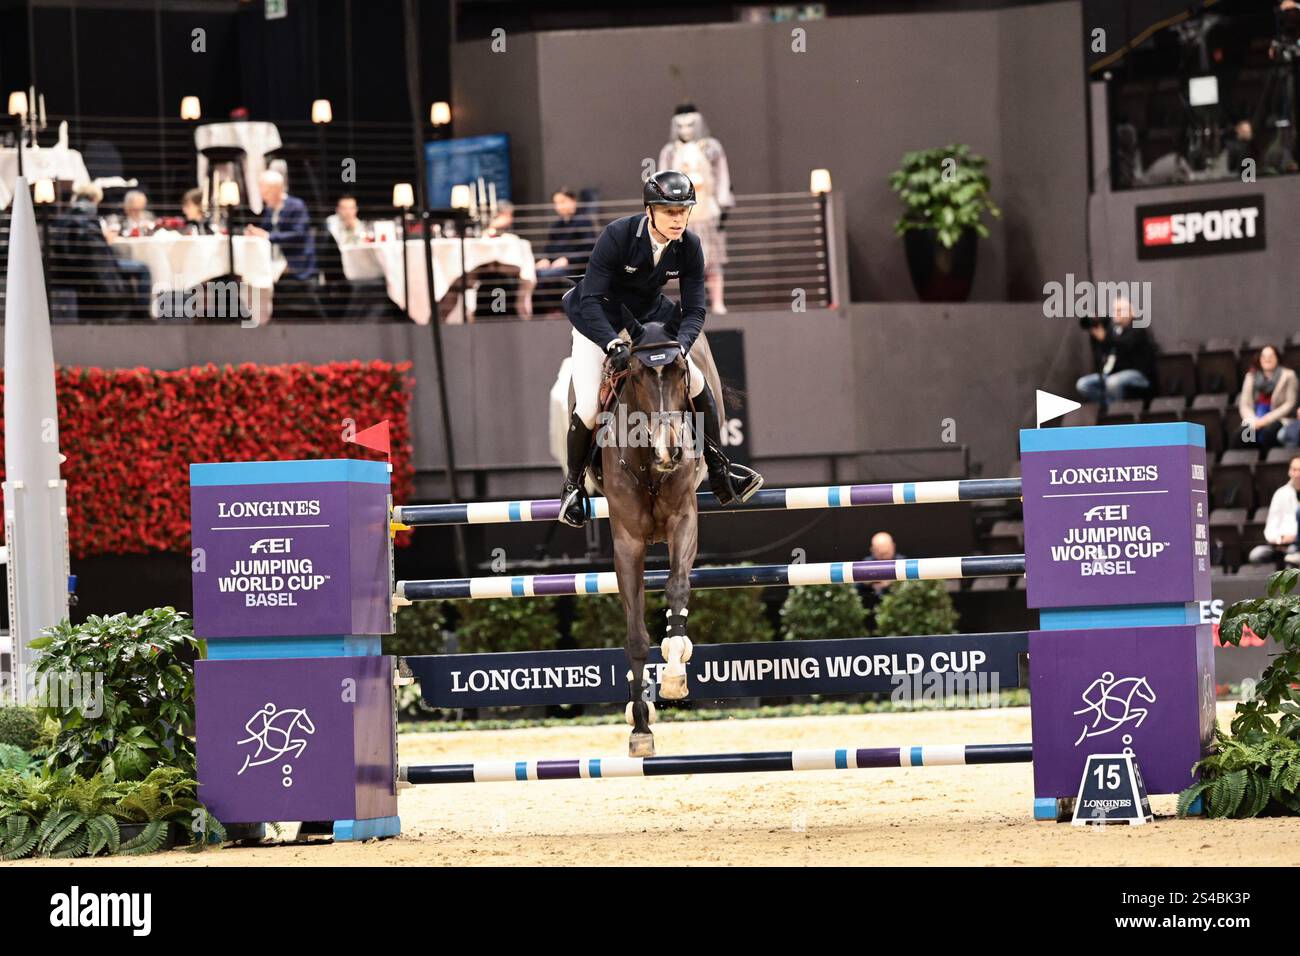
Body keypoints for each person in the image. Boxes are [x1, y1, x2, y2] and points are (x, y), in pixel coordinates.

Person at [556, 169, 763, 527]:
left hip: (646, 321)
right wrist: (611, 342)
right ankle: (573, 488)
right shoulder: (618, 235)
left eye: (683, 211)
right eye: (670, 211)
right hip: (596, 323)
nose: (678, 219)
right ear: (649, 210)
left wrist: (681, 347)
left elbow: (696, 309)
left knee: (696, 382)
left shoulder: (690, 246)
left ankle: (719, 468)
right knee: (590, 405)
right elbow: (589, 300)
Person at [658, 104, 734, 314]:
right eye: (681, 125)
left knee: (713, 259)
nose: (686, 129)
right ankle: (688, 305)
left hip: (707, 208)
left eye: (690, 124)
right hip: (681, 212)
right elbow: (662, 180)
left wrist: (722, 202)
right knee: (683, 260)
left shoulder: (712, 147)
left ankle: (718, 302)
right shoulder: (670, 151)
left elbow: (722, 176)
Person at [48, 181, 151, 320]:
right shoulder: (89, 218)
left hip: (73, 269)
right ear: (95, 199)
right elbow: (98, 252)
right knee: (143, 268)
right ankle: (143, 314)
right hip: (94, 268)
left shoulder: (64, 218)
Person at [245, 170, 320, 318]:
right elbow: (265, 231)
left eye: (265, 191)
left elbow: (298, 234)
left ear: (276, 190)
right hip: (273, 262)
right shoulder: (270, 210)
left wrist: (267, 235)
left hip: (294, 262)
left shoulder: (296, 206)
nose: (262, 195)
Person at [1074, 297, 1156, 404]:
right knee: (1083, 384)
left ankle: (1118, 411)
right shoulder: (1113, 330)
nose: (1116, 313)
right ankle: (1110, 406)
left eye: (1120, 310)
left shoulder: (1138, 327)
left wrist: (1105, 338)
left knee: (1112, 382)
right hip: (1112, 373)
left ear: (1131, 312)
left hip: (1138, 374)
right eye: (1114, 310)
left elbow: (1125, 345)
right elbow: (1103, 353)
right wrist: (1097, 336)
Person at [534, 187, 596, 313]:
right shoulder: (556, 225)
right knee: (533, 274)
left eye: (562, 202)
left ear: (573, 201)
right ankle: (553, 309)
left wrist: (568, 259)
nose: (559, 206)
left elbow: (589, 249)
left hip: (576, 266)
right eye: (556, 203)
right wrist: (546, 259)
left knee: (544, 275)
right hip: (557, 266)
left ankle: (558, 309)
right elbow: (549, 248)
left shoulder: (583, 221)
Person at [1235, 344, 1297, 449]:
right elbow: (1244, 404)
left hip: (1278, 418)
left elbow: (1290, 403)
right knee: (1242, 435)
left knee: (1269, 433)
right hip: (1254, 418)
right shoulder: (1251, 376)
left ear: (1277, 358)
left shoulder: (1288, 376)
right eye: (1264, 356)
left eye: (1271, 356)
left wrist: (1266, 420)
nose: (1267, 359)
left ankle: (1268, 461)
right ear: (1259, 359)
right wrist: (1252, 420)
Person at [1248, 456, 1300, 566]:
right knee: (1256, 555)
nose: (1297, 474)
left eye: (1299, 470)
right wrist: (1279, 540)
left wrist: (1293, 537)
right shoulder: (1280, 493)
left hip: (1297, 545)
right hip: (1279, 544)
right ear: (1289, 471)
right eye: (1294, 470)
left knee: (1291, 555)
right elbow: (1271, 526)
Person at [857, 532, 903, 611]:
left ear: (893, 547)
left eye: (886, 553)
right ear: (872, 550)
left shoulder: (903, 564)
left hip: (898, 608)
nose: (883, 557)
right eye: (880, 554)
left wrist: (891, 583)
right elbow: (854, 589)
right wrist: (867, 582)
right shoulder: (865, 565)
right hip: (870, 608)